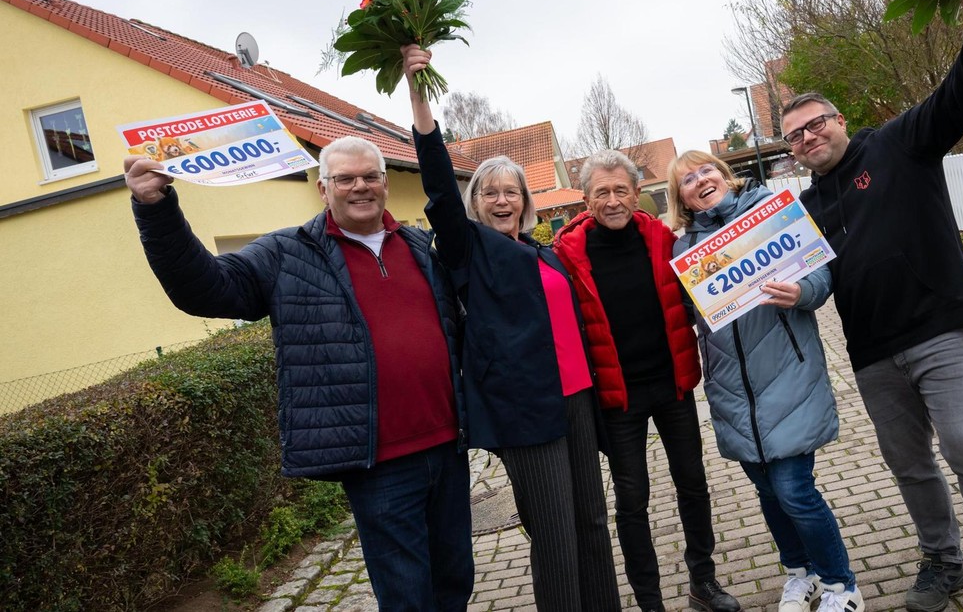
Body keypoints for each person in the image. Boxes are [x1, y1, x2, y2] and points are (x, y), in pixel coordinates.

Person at [785, 0, 963, 612]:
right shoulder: (802, 211)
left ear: (838, 119)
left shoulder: (901, 142)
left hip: (940, 329)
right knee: (908, 464)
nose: (808, 137)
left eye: (815, 123)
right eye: (795, 134)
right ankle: (943, 561)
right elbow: (797, 277)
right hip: (873, 351)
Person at [123, 136, 472, 612]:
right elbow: (206, 290)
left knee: (455, 580)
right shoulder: (287, 252)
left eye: (370, 177)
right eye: (345, 179)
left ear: (385, 184)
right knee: (408, 596)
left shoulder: (417, 244)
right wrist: (155, 207)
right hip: (380, 461)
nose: (360, 187)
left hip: (448, 446)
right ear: (322, 189)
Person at [402, 45, 621, 612]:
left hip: (576, 401)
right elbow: (438, 189)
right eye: (491, 192)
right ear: (477, 202)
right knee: (554, 537)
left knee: (592, 524)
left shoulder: (543, 254)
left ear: (526, 202)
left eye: (512, 192)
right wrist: (420, 96)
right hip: (526, 413)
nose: (503, 200)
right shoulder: (468, 249)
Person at [666, 151, 865, 612]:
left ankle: (841, 585)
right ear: (682, 198)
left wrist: (801, 292)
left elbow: (819, 275)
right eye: (688, 180)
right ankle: (802, 574)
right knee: (768, 492)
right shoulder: (684, 250)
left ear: (724, 174)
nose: (701, 181)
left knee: (795, 490)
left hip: (786, 376)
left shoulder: (770, 213)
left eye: (706, 171)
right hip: (732, 390)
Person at [553, 150, 740, 612]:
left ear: (638, 194)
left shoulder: (664, 240)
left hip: (672, 385)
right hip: (618, 399)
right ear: (585, 200)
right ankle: (650, 601)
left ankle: (703, 580)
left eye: (621, 190)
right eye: (602, 192)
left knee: (693, 483)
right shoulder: (566, 256)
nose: (613, 200)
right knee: (633, 501)